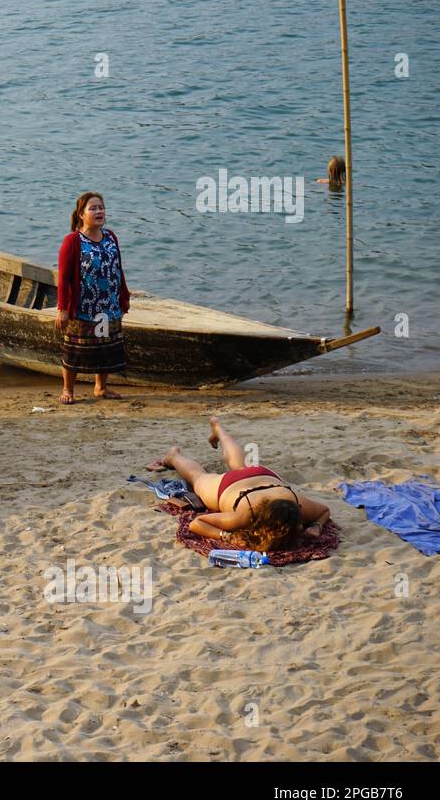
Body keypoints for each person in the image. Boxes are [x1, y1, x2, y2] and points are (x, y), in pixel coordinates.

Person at [150, 417, 332, 552]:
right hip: (232, 486)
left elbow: (324, 511)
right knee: (197, 477)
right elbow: (197, 524)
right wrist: (227, 536)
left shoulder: (296, 503)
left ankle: (219, 429)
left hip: (262, 475)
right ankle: (173, 456)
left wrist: (316, 526)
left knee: (240, 465)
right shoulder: (246, 515)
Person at [56, 191, 129, 404]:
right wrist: (62, 308)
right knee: (75, 350)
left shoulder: (111, 237)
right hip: (82, 308)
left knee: (104, 347)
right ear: (81, 214)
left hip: (108, 305)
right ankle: (68, 389)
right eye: (93, 208)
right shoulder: (72, 242)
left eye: (101, 207)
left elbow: (117, 269)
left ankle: (100, 388)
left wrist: (124, 295)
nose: (99, 212)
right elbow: (64, 278)